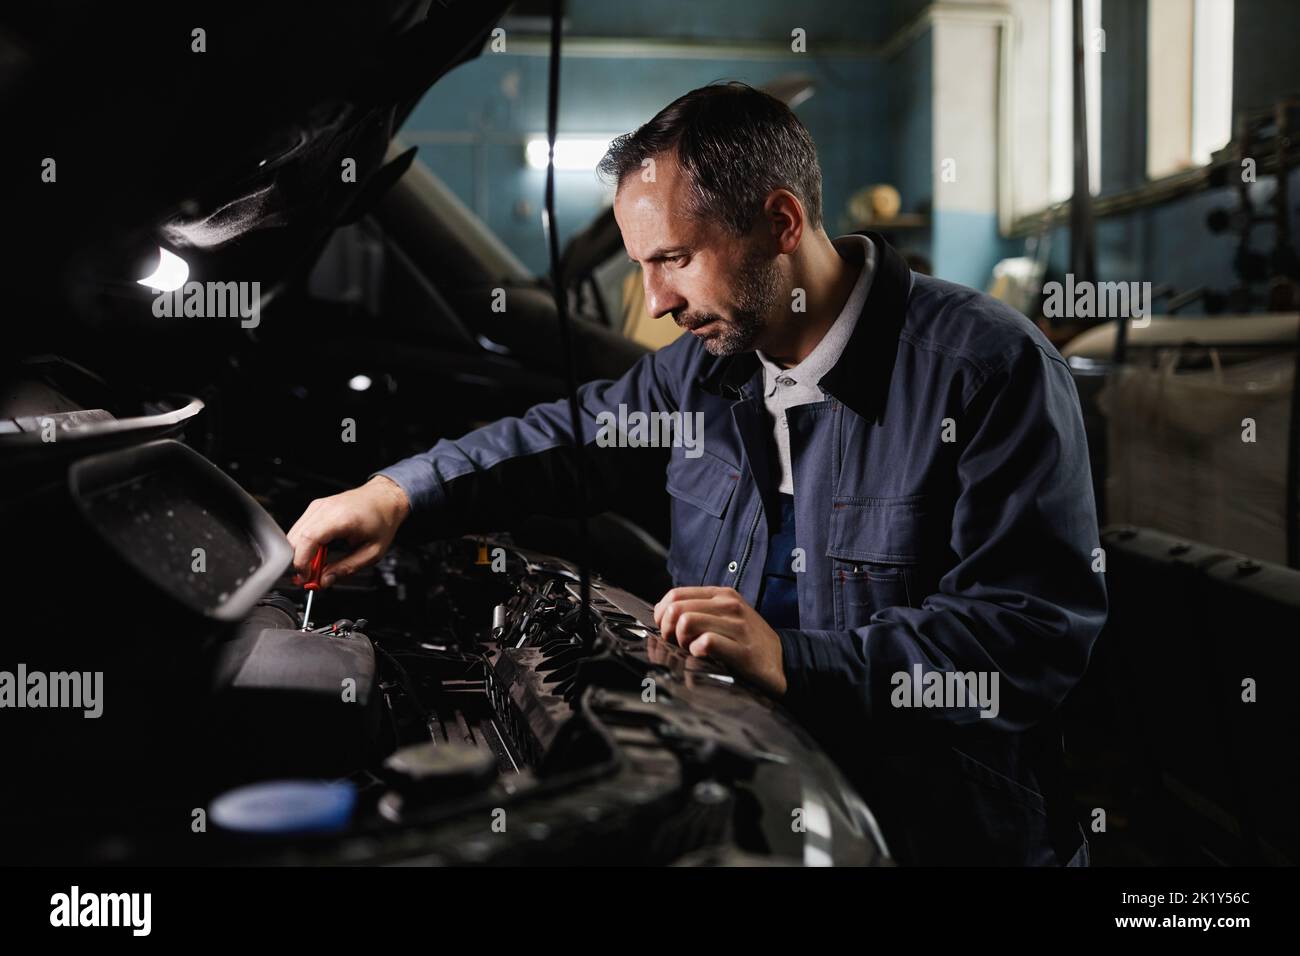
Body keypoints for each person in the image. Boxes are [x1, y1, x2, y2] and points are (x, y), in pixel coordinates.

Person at [287, 82, 1107, 866]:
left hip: (939, 837)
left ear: (780, 221)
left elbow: (1025, 642)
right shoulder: (708, 372)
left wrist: (796, 660)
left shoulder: (986, 370)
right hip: (743, 816)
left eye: (674, 258)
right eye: (643, 264)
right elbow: (562, 441)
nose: (655, 302)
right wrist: (395, 495)